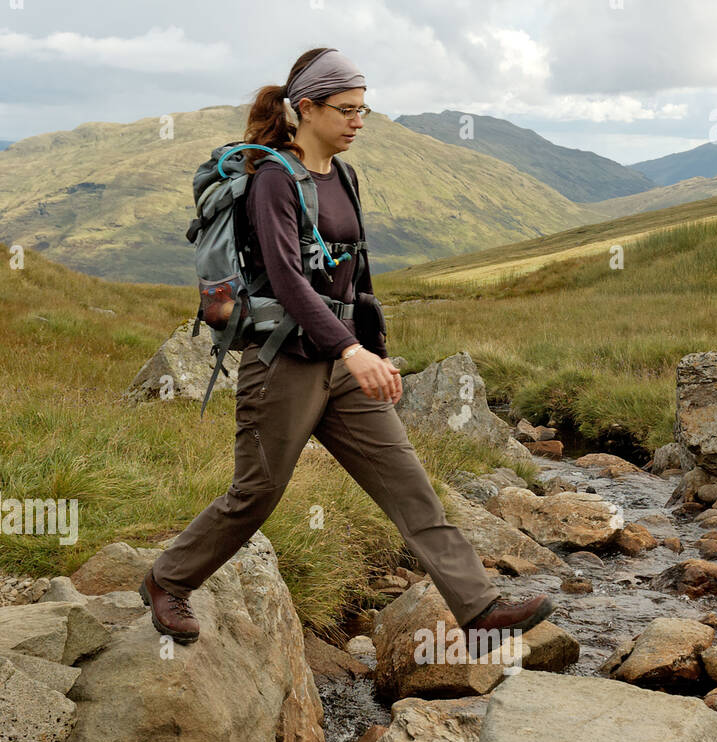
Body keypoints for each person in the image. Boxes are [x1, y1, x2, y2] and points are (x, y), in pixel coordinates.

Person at [140, 45, 554, 649]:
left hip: (341, 363)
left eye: (364, 109)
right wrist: (348, 352)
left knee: (409, 484)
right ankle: (167, 579)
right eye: (346, 109)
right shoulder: (273, 180)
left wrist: (372, 347)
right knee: (256, 494)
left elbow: (354, 276)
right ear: (306, 108)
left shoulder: (345, 176)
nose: (358, 120)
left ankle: (479, 607)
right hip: (282, 363)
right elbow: (287, 281)